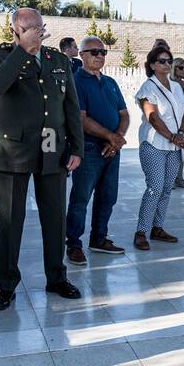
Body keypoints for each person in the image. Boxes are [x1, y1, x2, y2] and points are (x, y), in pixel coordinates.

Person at [0, 8, 84, 309]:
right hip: (12, 151)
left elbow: (70, 106)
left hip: (53, 150)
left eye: (39, 27)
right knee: (10, 221)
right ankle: (6, 285)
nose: (36, 33)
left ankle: (56, 278)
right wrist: (23, 51)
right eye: (28, 29)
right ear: (14, 30)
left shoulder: (58, 59)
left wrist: (77, 148)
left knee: (54, 219)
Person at [65, 35, 128, 264]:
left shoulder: (110, 82)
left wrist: (117, 139)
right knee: (81, 198)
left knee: (108, 196)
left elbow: (124, 114)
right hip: (89, 149)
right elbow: (81, 119)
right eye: (94, 52)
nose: (100, 56)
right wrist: (110, 136)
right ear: (81, 55)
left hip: (112, 149)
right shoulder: (76, 81)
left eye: (103, 52)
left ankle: (99, 238)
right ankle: (73, 244)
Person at [133, 43, 184, 250]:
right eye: (162, 61)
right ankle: (141, 231)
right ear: (152, 65)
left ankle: (157, 228)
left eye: (169, 61)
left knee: (166, 188)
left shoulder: (175, 86)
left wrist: (181, 133)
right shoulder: (148, 87)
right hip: (154, 144)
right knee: (154, 188)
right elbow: (153, 117)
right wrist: (173, 137)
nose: (167, 64)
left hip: (174, 146)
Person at [171, 57, 184, 188]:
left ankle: (179, 178)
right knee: (170, 150)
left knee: (181, 150)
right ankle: (170, 179)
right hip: (172, 121)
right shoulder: (169, 84)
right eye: (181, 67)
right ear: (174, 68)